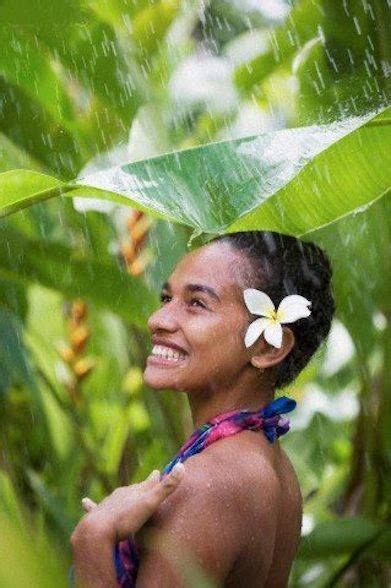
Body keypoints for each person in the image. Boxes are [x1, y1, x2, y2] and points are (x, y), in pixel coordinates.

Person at [71, 230, 335, 587]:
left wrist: (92, 540)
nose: (157, 320)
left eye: (196, 303)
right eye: (166, 298)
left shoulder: (210, 485)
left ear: (267, 348)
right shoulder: (271, 464)